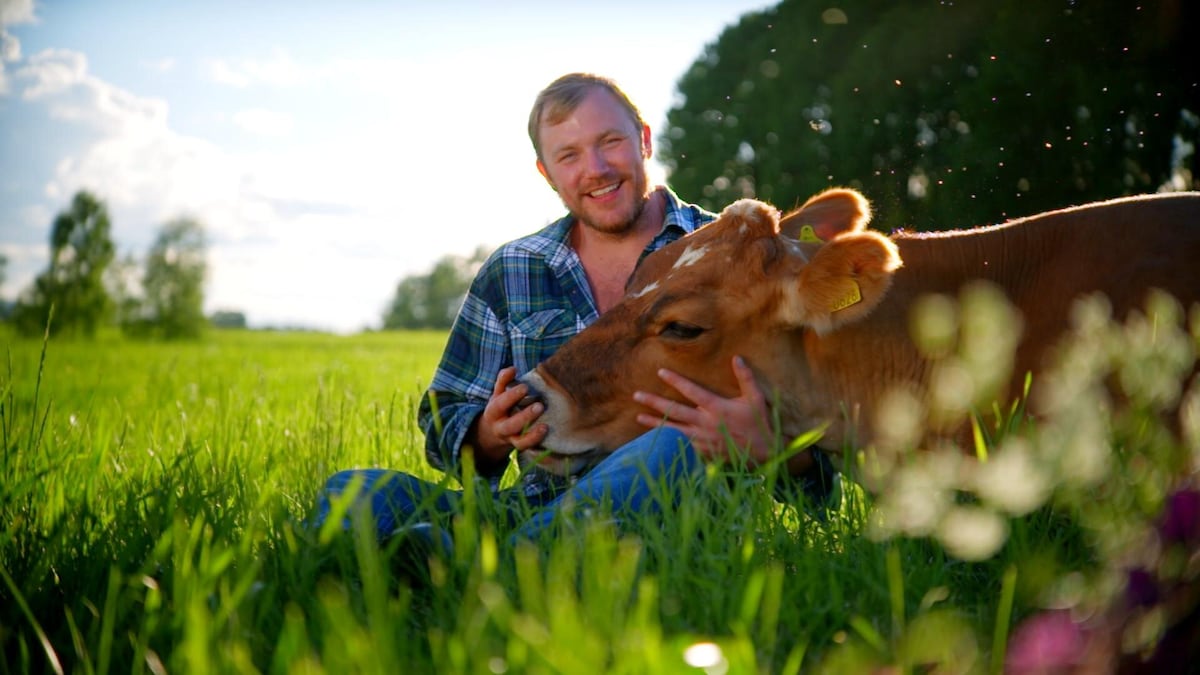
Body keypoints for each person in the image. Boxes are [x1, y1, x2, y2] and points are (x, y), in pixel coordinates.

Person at [314, 72, 835, 553]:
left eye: (610, 142)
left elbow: (830, 472)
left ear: (644, 141)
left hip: (681, 520)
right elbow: (446, 416)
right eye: (569, 155)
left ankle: (487, 567)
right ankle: (516, 552)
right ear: (546, 173)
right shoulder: (513, 270)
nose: (596, 169)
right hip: (529, 506)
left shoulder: (741, 259)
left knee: (669, 447)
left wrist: (776, 447)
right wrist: (489, 434)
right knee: (353, 492)